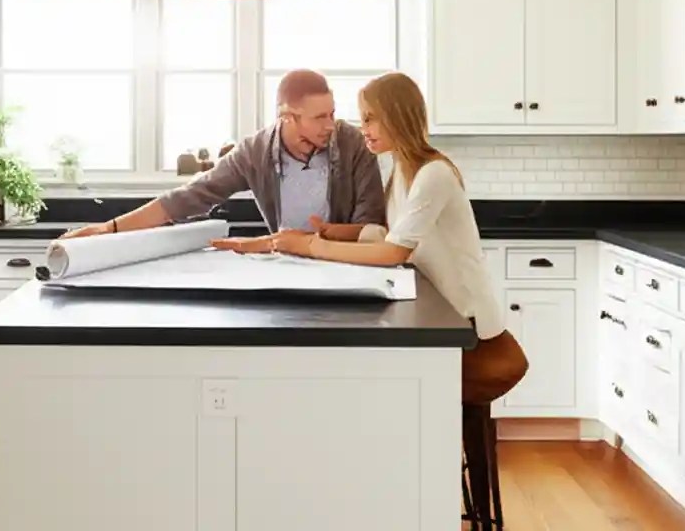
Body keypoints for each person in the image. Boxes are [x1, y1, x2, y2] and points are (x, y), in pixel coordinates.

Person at [216, 71, 527, 404]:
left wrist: (313, 246)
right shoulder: (402, 172)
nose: (361, 128)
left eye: (370, 119)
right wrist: (337, 232)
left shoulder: (433, 174)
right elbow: (390, 234)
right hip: (443, 311)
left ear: (397, 117)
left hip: (469, 323)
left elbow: (394, 251)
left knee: (386, 388)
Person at [58, 69, 386, 240]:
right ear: (287, 116)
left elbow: (370, 224)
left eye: (332, 113)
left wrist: (322, 242)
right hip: (286, 263)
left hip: (347, 265)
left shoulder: (353, 144)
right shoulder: (254, 152)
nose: (331, 125)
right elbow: (191, 196)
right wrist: (109, 229)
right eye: (319, 117)